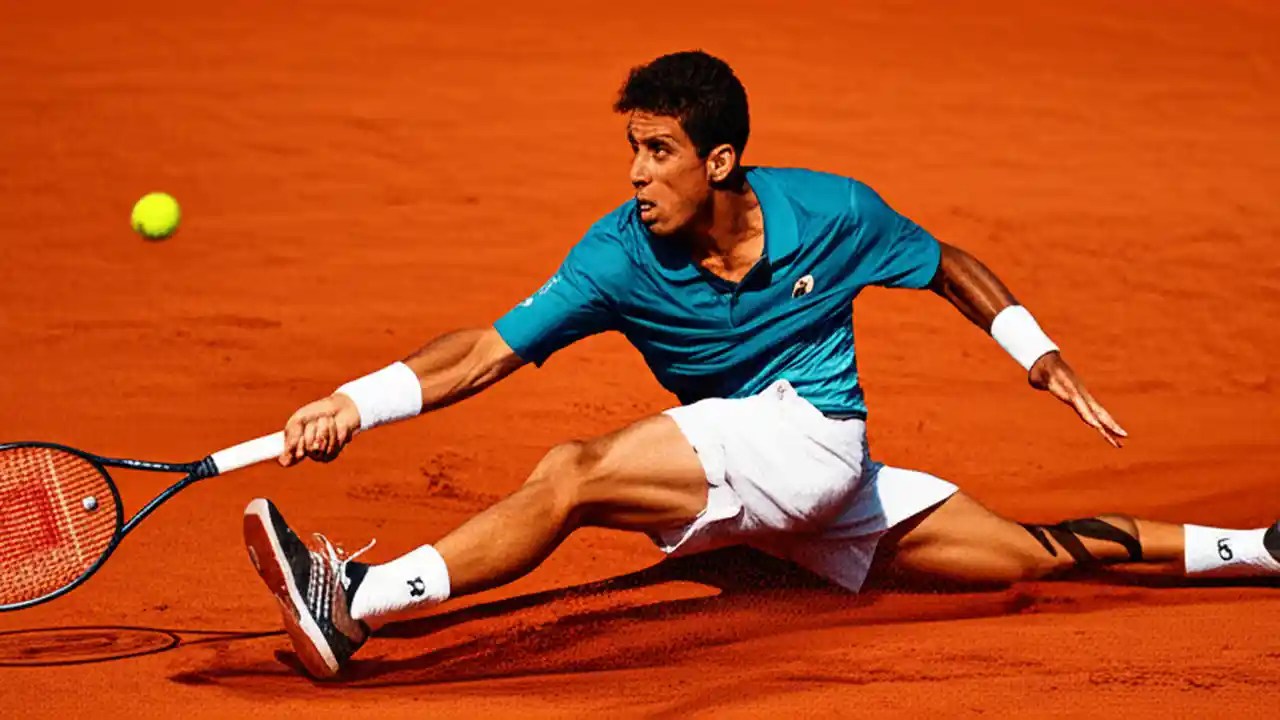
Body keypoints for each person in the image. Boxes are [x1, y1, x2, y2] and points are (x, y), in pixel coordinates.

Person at [242, 50, 1280, 679]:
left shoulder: (834, 212)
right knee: (1029, 555)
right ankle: (1259, 549)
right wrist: (352, 402)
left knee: (573, 471)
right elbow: (481, 353)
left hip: (814, 438)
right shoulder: (616, 254)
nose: (635, 175)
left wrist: (1034, 351)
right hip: (782, 478)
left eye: (657, 151)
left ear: (720, 160)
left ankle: (359, 600)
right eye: (632, 149)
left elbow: (946, 265)